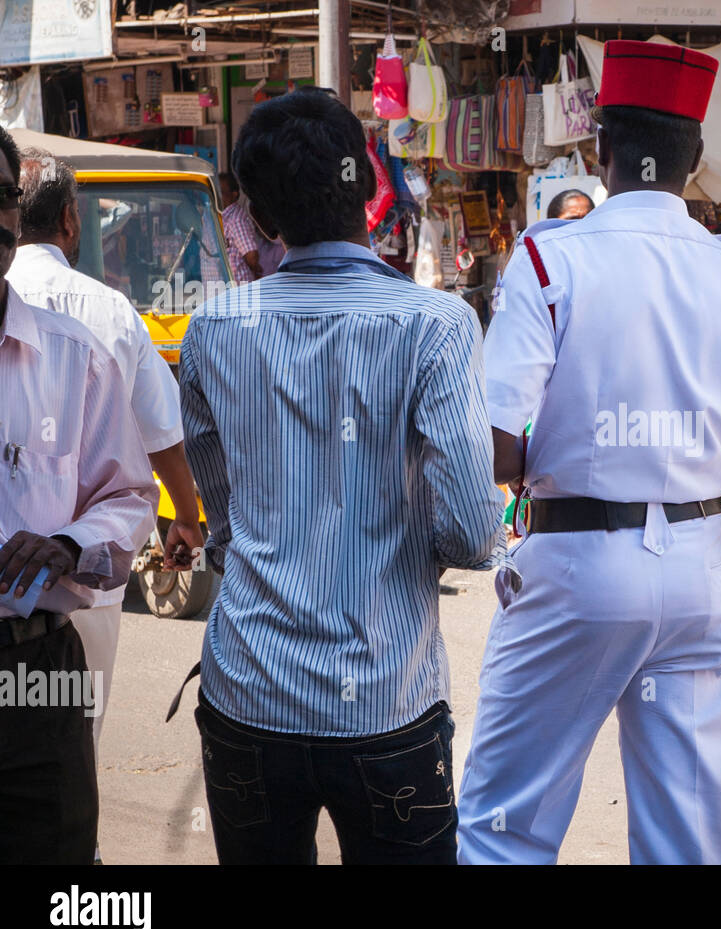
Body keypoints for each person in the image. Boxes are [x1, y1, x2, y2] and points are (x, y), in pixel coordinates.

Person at [457, 39, 721, 865]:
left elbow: (495, 447)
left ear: (600, 147)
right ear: (697, 158)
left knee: (505, 830)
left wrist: (540, 446)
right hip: (708, 577)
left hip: (578, 566)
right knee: (686, 842)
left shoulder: (548, 257)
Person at [179, 89, 505, 864]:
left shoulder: (214, 329)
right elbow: (471, 534)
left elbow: (221, 519)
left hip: (247, 694)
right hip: (387, 705)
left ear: (258, 218)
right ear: (366, 185)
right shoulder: (437, 324)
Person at [11, 149, 204, 770]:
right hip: (83, 595)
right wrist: (187, 517)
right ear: (70, 221)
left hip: (69, 581)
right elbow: (161, 432)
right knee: (75, 741)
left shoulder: (75, 326)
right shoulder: (111, 310)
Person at [0, 126, 158, 864]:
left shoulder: (74, 356)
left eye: (2, 198)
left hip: (35, 673)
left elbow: (129, 492)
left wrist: (68, 543)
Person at [219, 171, 284, 282]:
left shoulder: (236, 219)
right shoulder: (218, 216)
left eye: (221, 193)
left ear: (234, 194)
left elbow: (252, 257)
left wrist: (256, 269)